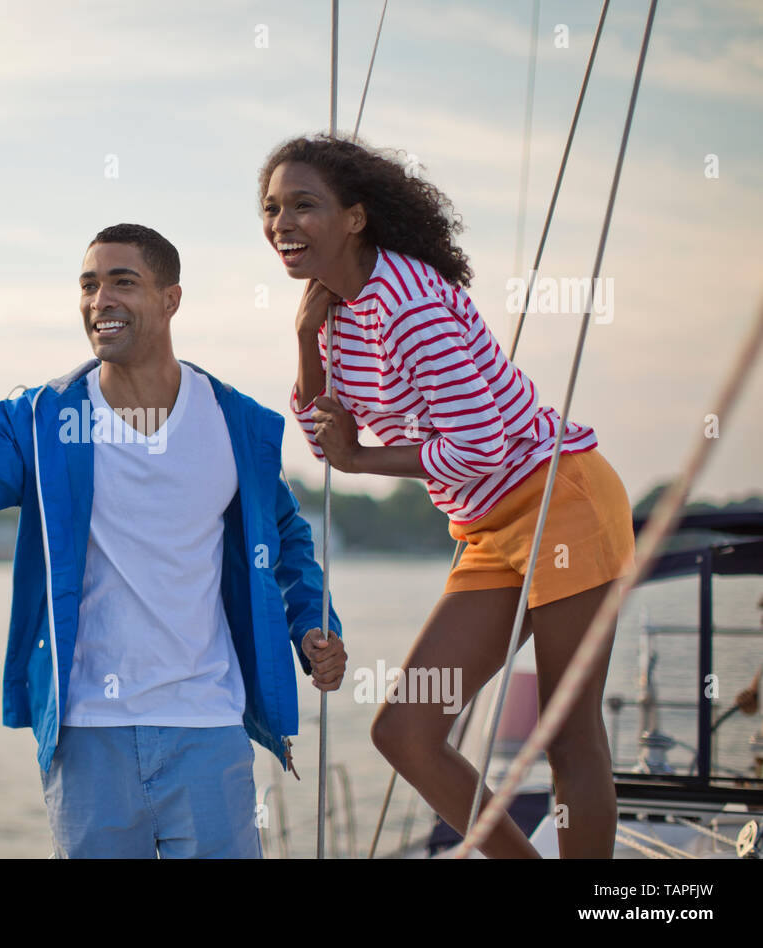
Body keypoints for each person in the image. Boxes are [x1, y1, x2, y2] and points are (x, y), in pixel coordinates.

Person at [0, 223, 347, 858]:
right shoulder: (38, 420)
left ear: (171, 299)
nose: (100, 300)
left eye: (122, 282)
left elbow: (284, 537)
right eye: (88, 285)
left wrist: (313, 620)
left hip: (209, 725)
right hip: (87, 735)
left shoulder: (234, 422)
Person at [259, 134, 635, 858]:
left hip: (561, 498)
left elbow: (481, 446)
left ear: (356, 217)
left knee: (565, 730)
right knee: (405, 731)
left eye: (304, 205)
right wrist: (306, 338)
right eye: (273, 208)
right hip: (486, 527)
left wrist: (364, 458)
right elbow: (322, 441)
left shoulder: (408, 302)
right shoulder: (335, 310)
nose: (283, 222)